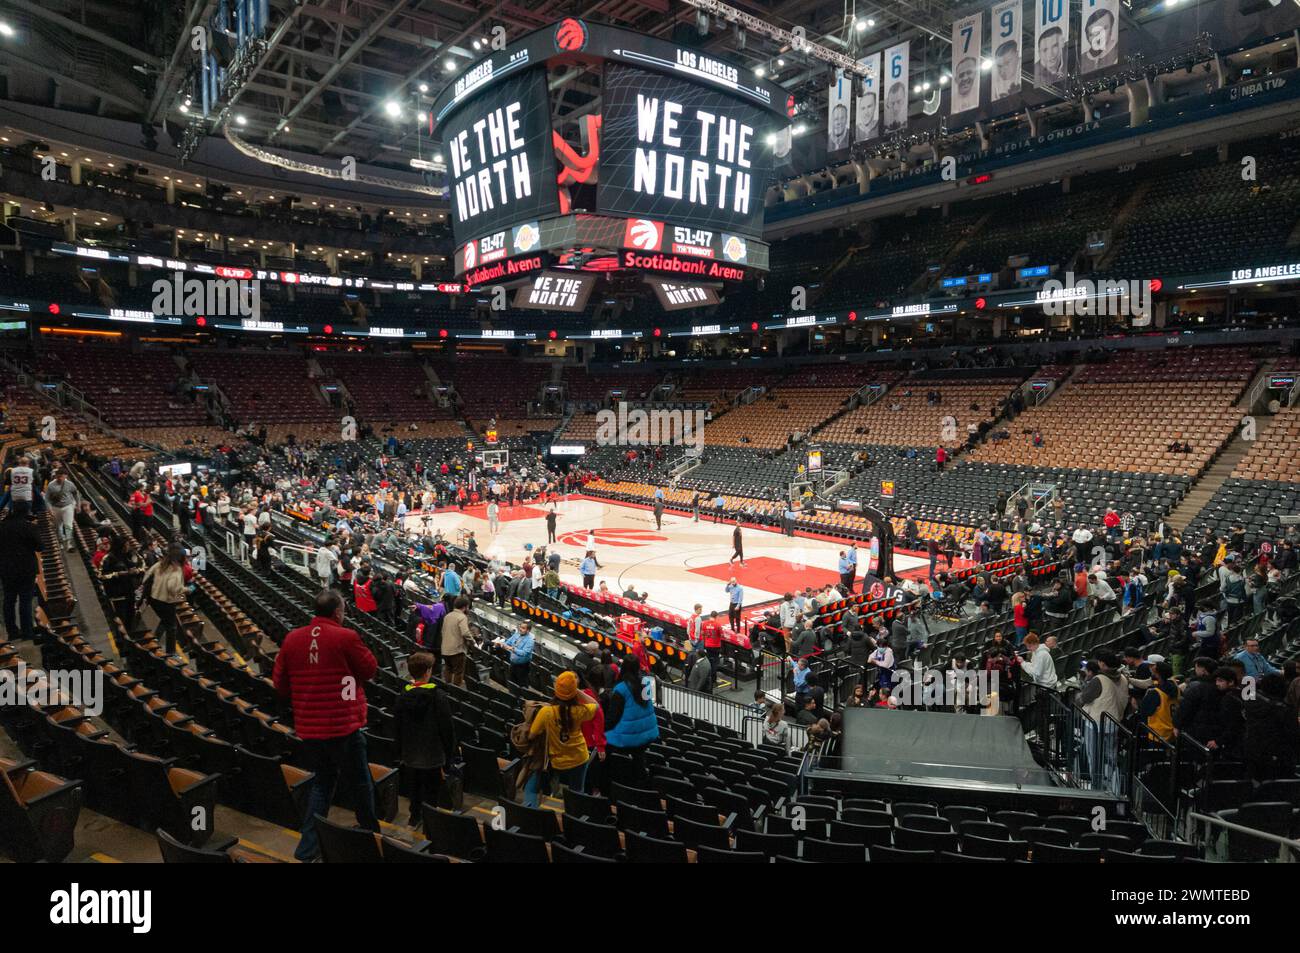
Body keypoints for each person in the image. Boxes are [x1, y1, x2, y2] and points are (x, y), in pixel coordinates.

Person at [272, 590, 379, 861]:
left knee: (322, 783)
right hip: (343, 726)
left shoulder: (292, 638)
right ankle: (369, 834)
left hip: (310, 728)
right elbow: (369, 670)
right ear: (338, 613)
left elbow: (280, 684)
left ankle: (307, 848)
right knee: (360, 782)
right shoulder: (346, 637)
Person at [394, 651, 456, 825]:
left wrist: (400, 752)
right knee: (431, 791)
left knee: (414, 789)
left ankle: (414, 818)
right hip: (433, 755)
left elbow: (397, 728)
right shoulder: (438, 696)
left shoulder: (402, 696)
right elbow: (447, 729)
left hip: (410, 753)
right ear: (428, 671)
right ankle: (430, 822)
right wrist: (449, 756)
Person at [523, 671, 597, 807]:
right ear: (574, 691)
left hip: (557, 761)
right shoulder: (579, 710)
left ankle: (536, 805)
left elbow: (532, 735)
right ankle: (575, 816)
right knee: (577, 790)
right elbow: (595, 704)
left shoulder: (546, 712)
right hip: (579, 758)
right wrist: (576, 691)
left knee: (538, 779)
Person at [604, 659, 659, 782]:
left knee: (605, 742)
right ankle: (640, 780)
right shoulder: (646, 682)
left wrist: (601, 729)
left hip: (629, 736)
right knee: (638, 758)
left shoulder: (620, 688)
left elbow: (613, 717)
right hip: (648, 732)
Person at [0, 501, 41, 643]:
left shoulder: (2, 527)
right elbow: (40, 546)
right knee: (25, 600)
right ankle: (27, 633)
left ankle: (12, 632)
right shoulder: (28, 527)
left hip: (6, 569)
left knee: (9, 600)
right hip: (26, 568)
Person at [142, 542, 188, 655]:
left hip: (153, 599)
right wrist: (186, 589)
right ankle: (171, 652)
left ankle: (155, 639)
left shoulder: (159, 564)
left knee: (165, 620)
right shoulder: (176, 570)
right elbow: (173, 588)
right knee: (172, 627)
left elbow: (146, 577)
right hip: (166, 602)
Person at [98, 532, 143, 633]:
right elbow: (101, 576)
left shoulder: (127, 556)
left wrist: (136, 571)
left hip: (129, 591)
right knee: (122, 618)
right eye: (126, 545)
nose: (128, 547)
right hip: (117, 593)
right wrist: (118, 574)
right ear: (120, 546)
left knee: (131, 616)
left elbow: (138, 566)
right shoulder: (108, 558)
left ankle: (130, 635)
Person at [440, 596, 473, 686]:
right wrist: (473, 642)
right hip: (457, 650)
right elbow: (465, 633)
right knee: (458, 673)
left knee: (448, 670)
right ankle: (455, 693)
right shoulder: (462, 617)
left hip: (445, 649)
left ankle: (448, 691)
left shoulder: (447, 616)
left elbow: (442, 632)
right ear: (465, 606)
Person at [45, 469, 78, 552]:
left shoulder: (70, 484)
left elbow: (75, 493)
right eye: (58, 476)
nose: (60, 478)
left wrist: (78, 504)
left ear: (65, 476)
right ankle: (60, 541)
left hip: (67, 506)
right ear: (56, 476)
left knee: (68, 525)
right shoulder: (51, 485)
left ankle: (69, 544)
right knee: (58, 526)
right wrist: (49, 509)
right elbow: (47, 498)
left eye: (61, 476)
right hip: (56, 507)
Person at [501, 620, 535, 688]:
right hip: (513, 663)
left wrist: (512, 649)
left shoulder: (530, 641)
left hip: (522, 666)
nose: (520, 629)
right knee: (512, 684)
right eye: (520, 627)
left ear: (528, 630)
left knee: (522, 686)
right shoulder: (516, 634)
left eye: (523, 628)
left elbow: (524, 653)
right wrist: (504, 645)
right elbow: (507, 642)